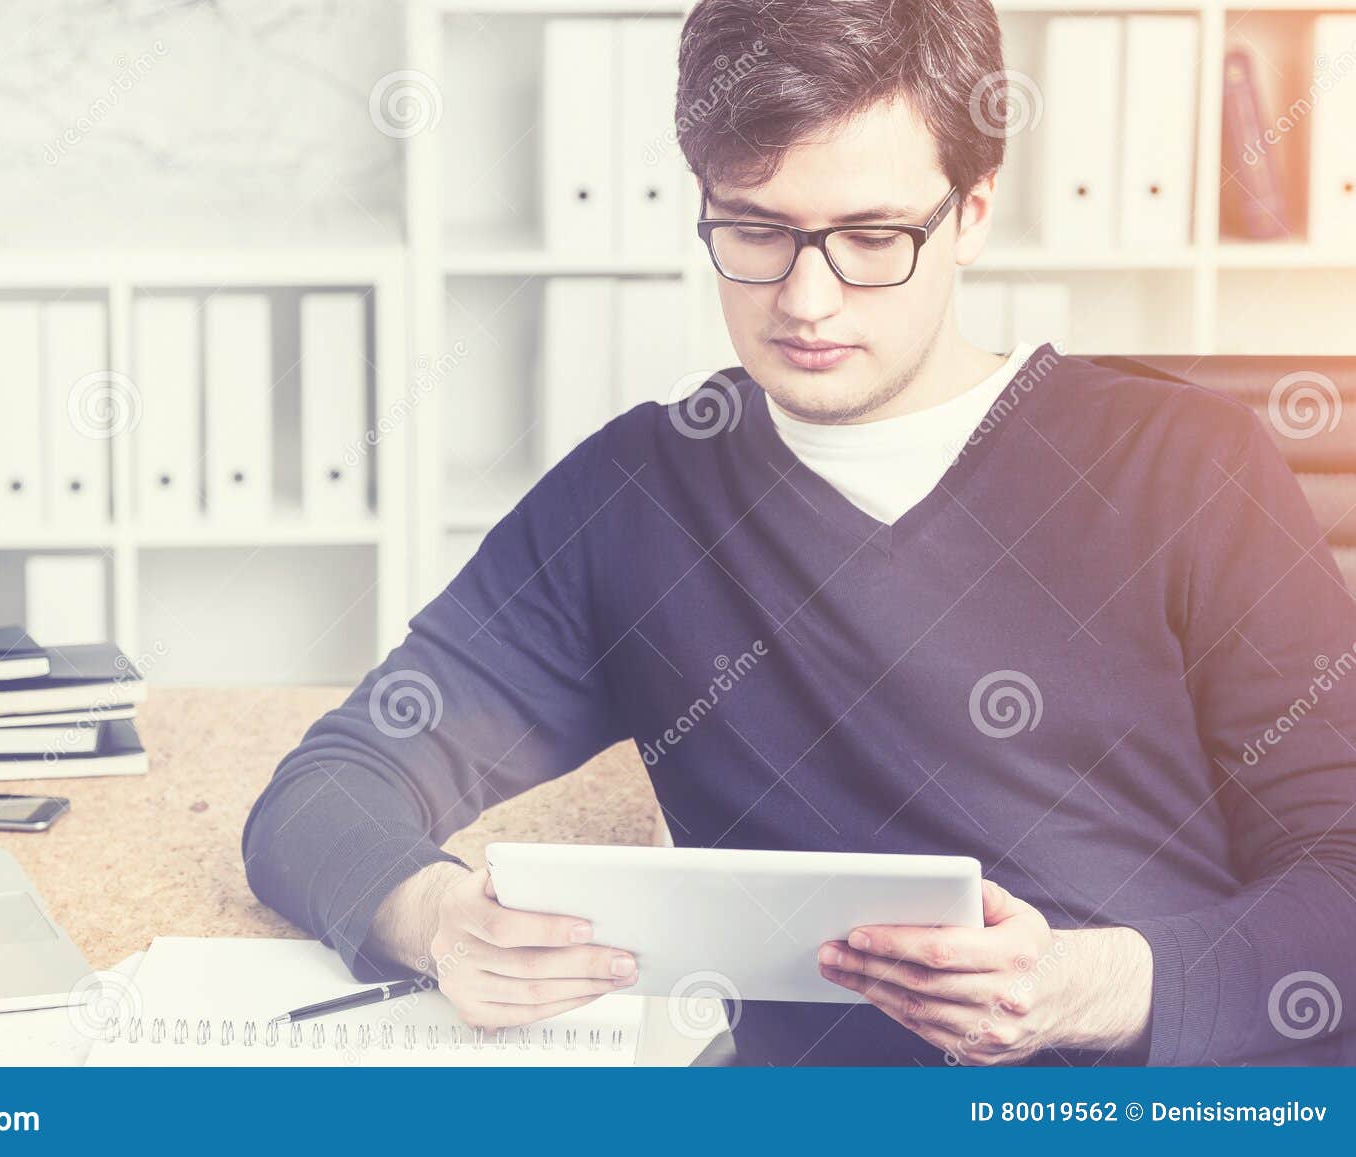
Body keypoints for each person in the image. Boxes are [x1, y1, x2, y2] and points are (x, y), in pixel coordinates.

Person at [242, 0, 1356, 1065]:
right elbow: (328, 789)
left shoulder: (1187, 464)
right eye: (754, 230)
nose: (807, 300)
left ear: (971, 212)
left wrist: (1086, 985)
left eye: (872, 238)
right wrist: (434, 915)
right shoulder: (637, 496)